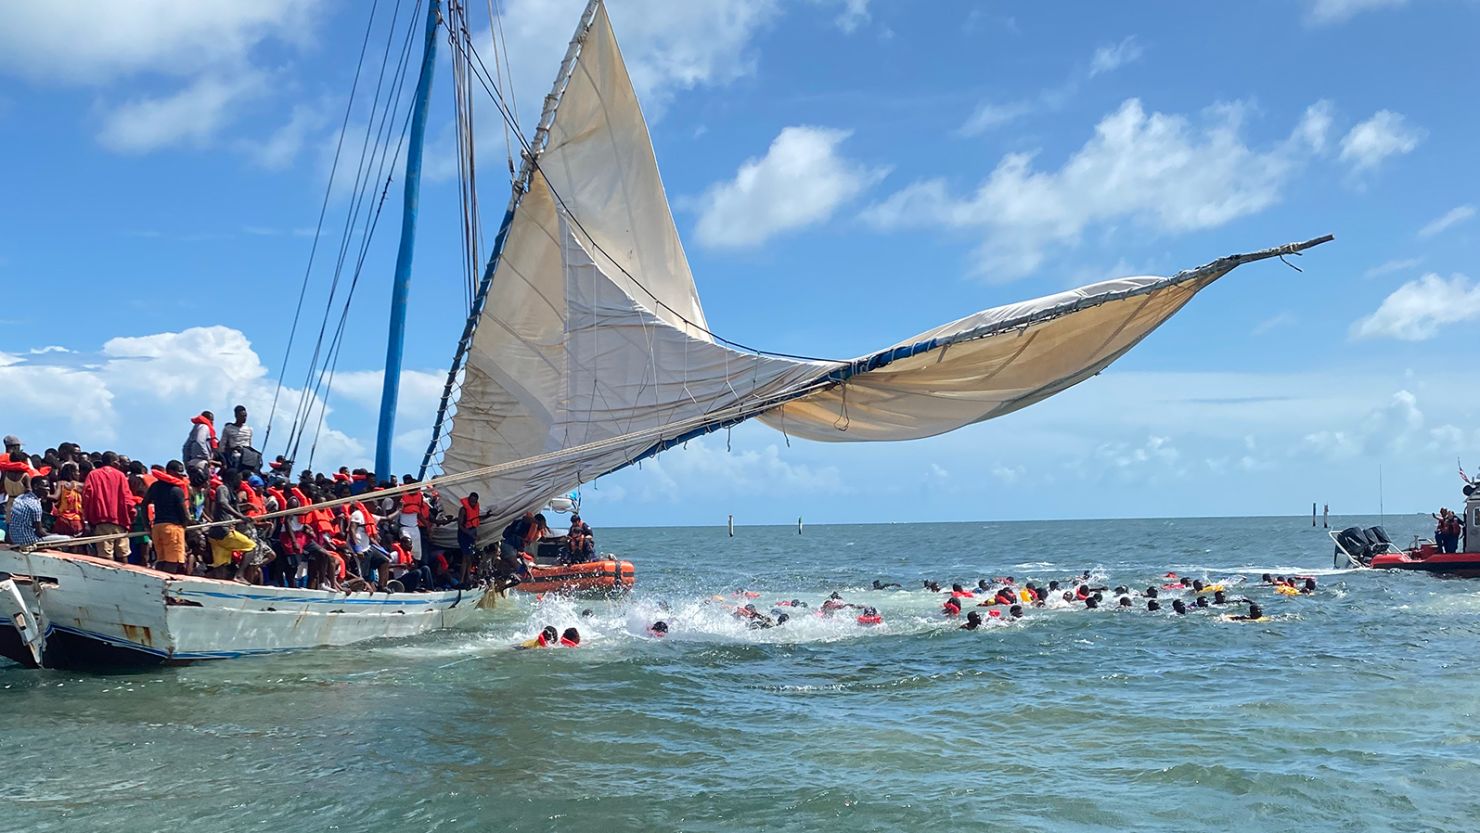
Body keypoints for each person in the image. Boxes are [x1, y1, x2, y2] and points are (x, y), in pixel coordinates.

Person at [82, 451, 133, 562]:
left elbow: (87, 496)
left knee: (105, 556)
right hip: (120, 522)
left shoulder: (93, 474)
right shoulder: (121, 476)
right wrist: (131, 516)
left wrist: (87, 519)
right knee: (123, 555)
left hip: (101, 521)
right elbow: (128, 499)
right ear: (114, 462)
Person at [145, 461, 192, 575]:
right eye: (178, 473)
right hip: (172, 528)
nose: (180, 476)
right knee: (173, 561)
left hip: (157, 527)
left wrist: (147, 525)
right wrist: (184, 526)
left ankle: (157, 583)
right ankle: (165, 585)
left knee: (161, 560)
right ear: (170, 472)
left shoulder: (155, 486)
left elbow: (143, 504)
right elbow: (185, 515)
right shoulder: (177, 490)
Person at [6, 478, 47, 547]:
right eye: (46, 486)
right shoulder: (35, 504)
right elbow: (39, 532)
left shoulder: (20, 497)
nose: (48, 489)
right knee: (67, 538)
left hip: (14, 539)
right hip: (29, 541)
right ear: (36, 487)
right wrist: (52, 534)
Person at [182, 411, 217, 477]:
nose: (212, 423)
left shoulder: (196, 428)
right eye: (211, 420)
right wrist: (207, 457)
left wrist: (186, 463)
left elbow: (185, 447)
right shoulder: (204, 427)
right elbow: (200, 441)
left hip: (192, 462)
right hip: (201, 462)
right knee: (203, 484)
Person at [220, 405, 254, 471]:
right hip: (234, 454)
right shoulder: (228, 429)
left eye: (245, 416)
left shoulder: (249, 429)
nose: (244, 418)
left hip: (247, 455)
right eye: (242, 416)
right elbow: (222, 446)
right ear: (236, 416)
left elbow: (250, 444)